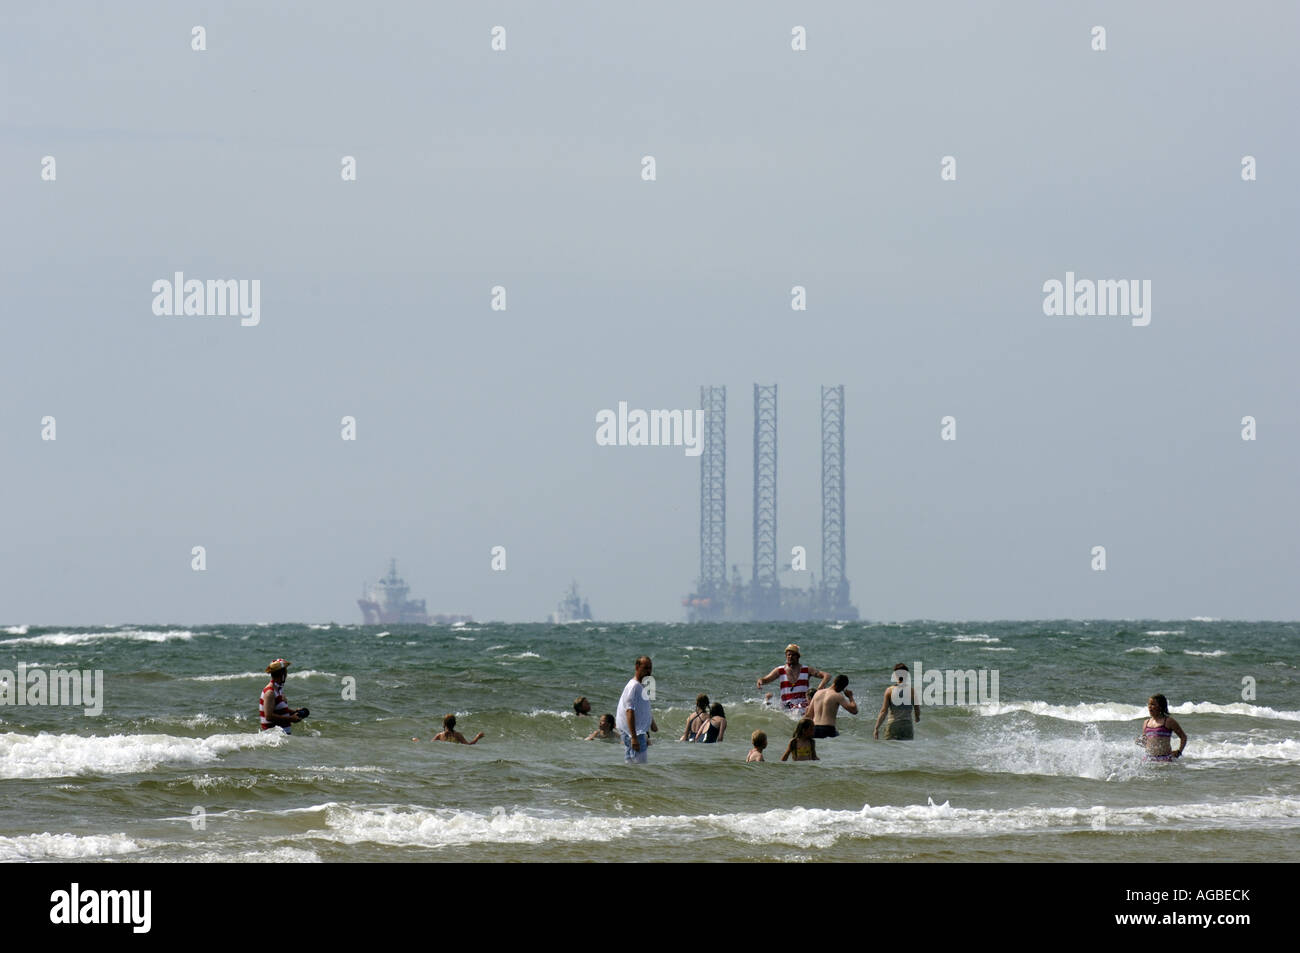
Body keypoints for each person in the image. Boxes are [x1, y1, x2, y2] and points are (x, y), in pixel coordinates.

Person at [757, 644, 830, 712]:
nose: (790, 657)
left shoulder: (807, 670)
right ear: (786, 656)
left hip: (803, 707)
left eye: (793, 655)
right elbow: (766, 679)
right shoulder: (780, 670)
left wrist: (820, 687)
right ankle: (767, 699)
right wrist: (761, 681)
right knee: (769, 707)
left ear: (798, 657)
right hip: (786, 707)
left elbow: (827, 675)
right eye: (788, 655)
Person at [615, 656, 658, 763]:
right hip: (634, 733)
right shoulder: (634, 687)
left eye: (650, 668)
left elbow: (644, 707)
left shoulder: (644, 684)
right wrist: (634, 737)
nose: (648, 671)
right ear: (637, 667)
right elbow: (629, 711)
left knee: (632, 765)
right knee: (641, 767)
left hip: (639, 732)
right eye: (645, 668)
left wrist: (651, 724)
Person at [259, 658, 308, 734]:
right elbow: (268, 716)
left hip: (281, 739)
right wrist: (291, 719)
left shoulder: (278, 690)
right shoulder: (270, 692)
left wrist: (294, 712)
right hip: (274, 739)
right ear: (282, 674)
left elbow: (279, 710)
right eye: (285, 671)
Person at [874, 663, 920, 740]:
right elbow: (917, 709)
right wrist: (917, 717)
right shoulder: (912, 691)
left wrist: (876, 728)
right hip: (907, 725)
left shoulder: (889, 690)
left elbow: (883, 711)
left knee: (890, 749)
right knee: (906, 750)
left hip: (893, 724)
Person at [1136, 694, 1187, 761]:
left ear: (1160, 707)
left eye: (1153, 704)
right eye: (1149, 704)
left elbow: (1183, 737)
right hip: (1149, 760)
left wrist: (1179, 752)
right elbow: (1146, 741)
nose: (1149, 707)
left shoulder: (1168, 721)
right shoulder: (1146, 722)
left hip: (1165, 760)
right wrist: (1139, 741)